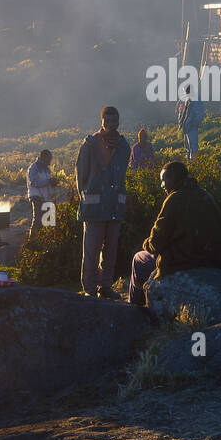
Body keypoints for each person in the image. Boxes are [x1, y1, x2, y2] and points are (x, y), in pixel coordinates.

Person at [128, 161, 221, 306]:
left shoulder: (174, 199)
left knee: (139, 259)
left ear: (174, 179)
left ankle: (135, 309)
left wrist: (145, 244)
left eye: (164, 180)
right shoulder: (205, 195)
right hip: (214, 260)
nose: (162, 186)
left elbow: (156, 243)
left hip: (186, 262)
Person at [76, 105, 131, 299]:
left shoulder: (124, 146)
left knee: (111, 250)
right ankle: (89, 289)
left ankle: (105, 286)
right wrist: (85, 195)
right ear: (102, 122)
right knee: (91, 251)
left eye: (114, 121)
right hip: (94, 207)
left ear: (118, 121)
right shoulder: (90, 145)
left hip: (115, 205)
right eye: (107, 121)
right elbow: (80, 175)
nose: (111, 125)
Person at [26, 149, 56, 241]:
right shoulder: (33, 168)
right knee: (38, 220)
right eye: (49, 159)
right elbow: (34, 182)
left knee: (49, 221)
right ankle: (32, 242)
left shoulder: (47, 169)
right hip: (37, 197)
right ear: (44, 157)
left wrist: (53, 184)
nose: (50, 161)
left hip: (47, 198)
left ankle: (45, 241)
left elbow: (46, 184)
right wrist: (48, 182)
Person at [178, 87, 205, 161]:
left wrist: (194, 123)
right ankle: (189, 162)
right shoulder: (186, 100)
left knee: (193, 147)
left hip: (192, 127)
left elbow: (200, 114)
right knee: (187, 147)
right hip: (186, 127)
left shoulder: (196, 100)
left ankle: (194, 163)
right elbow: (183, 112)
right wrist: (181, 123)